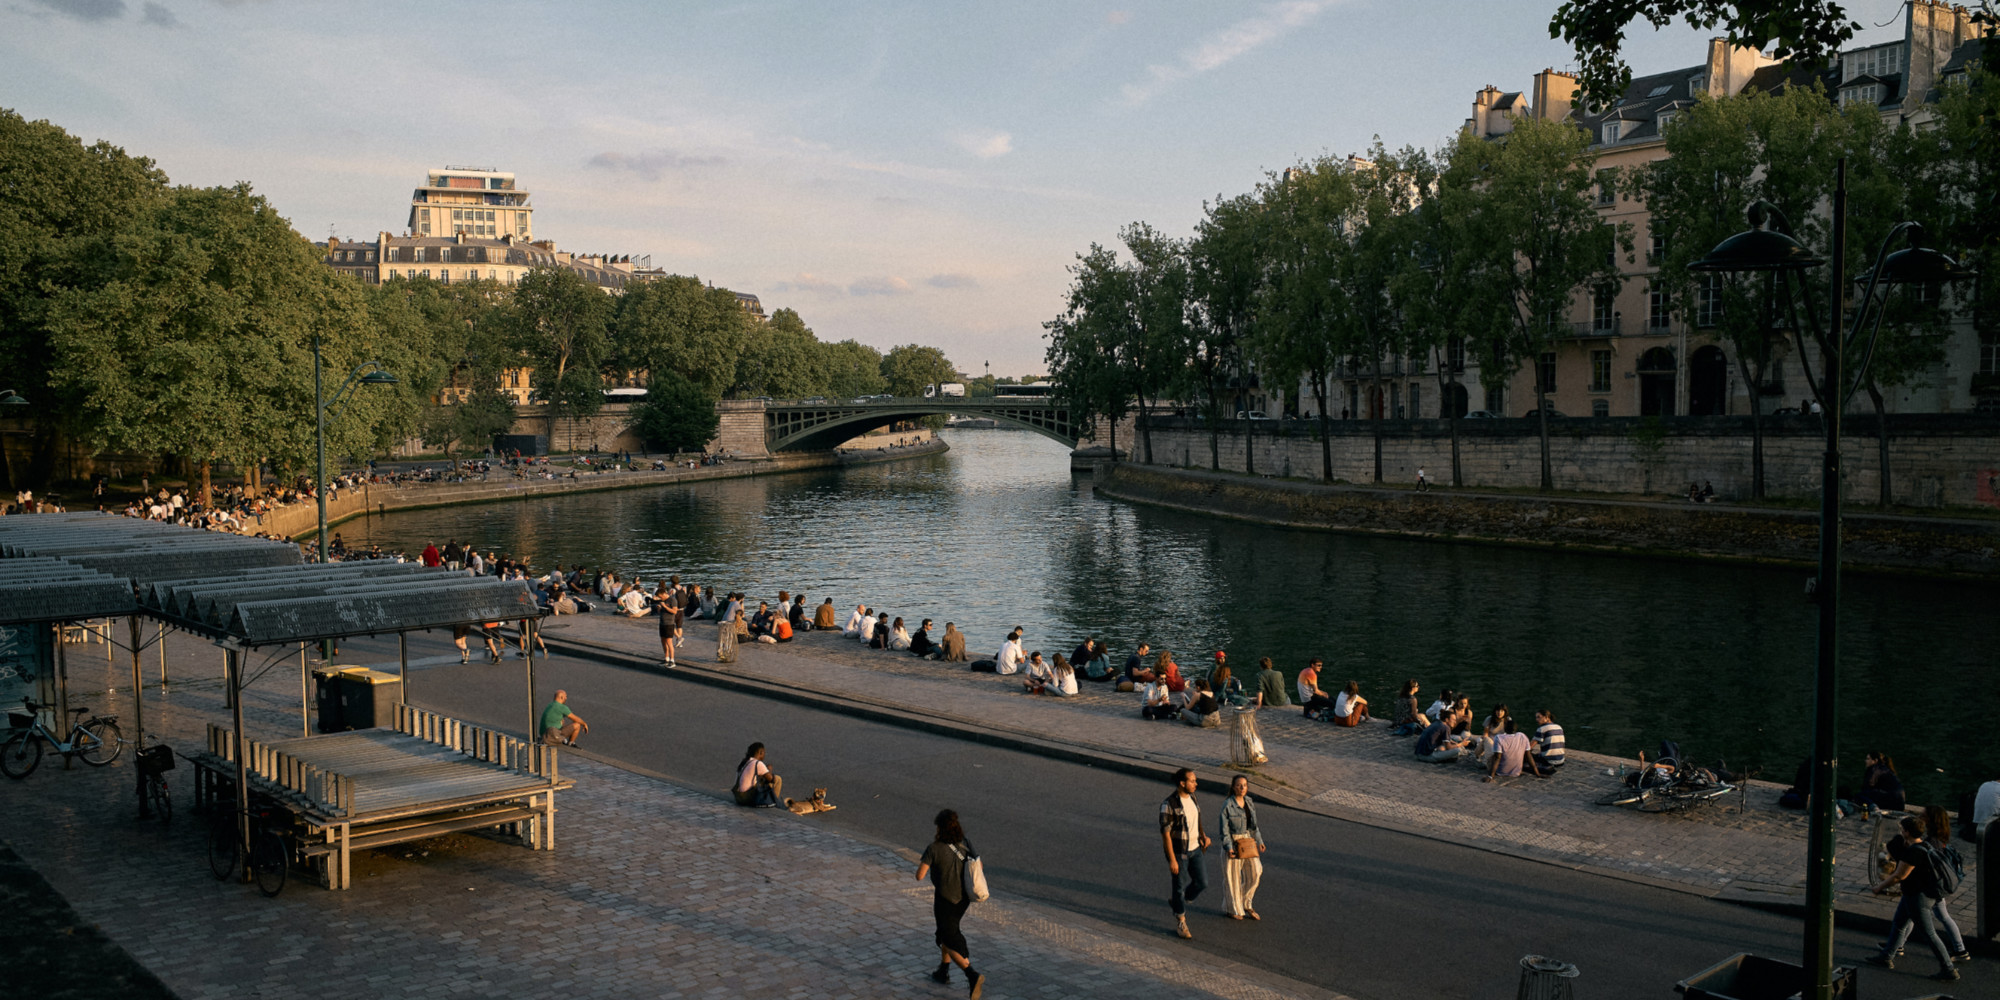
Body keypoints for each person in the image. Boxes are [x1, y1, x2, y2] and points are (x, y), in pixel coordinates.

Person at [1867, 816, 1961, 981]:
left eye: (1902, 829)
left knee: (1930, 934)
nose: (1900, 831)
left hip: (1918, 897)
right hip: (1916, 894)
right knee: (1899, 925)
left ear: (1907, 832)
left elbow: (1899, 876)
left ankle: (1949, 969)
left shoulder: (1913, 852)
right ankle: (1886, 956)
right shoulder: (1924, 845)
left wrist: (1879, 887)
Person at [914, 809, 986, 998]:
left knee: (947, 937)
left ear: (939, 828)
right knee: (946, 931)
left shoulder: (934, 848)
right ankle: (943, 970)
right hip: (963, 900)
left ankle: (972, 975)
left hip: (945, 900)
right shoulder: (966, 842)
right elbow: (978, 866)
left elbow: (919, 876)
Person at [1160, 767, 1211, 939]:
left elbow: (1197, 820)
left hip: (1195, 849)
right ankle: (1181, 921)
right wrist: (1172, 860)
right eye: (1192, 781)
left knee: (1202, 882)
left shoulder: (1193, 798)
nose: (1196, 784)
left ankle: (1177, 902)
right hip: (1179, 853)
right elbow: (1166, 835)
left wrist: (1203, 835)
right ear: (1182, 783)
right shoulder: (1169, 805)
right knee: (1179, 888)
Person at [1218, 775, 1265, 921]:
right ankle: (1232, 909)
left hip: (1248, 840)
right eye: (1239, 785)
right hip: (1233, 842)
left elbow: (1254, 826)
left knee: (1256, 872)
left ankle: (1245, 902)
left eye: (1244, 785)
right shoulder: (1227, 805)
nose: (1242, 787)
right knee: (1232, 878)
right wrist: (1228, 847)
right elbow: (1224, 830)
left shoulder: (1249, 802)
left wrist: (1259, 841)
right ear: (1233, 787)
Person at [1485, 717, 1542, 782]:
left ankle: (1481, 760)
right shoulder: (1522, 736)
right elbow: (1528, 756)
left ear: (1505, 728)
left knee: (1486, 742)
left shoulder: (1499, 738)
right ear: (1516, 729)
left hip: (1500, 771)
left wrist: (1490, 776)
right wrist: (1537, 773)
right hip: (1516, 773)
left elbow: (1497, 758)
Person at [732, 743, 782, 807]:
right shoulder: (757, 763)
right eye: (764, 753)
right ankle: (774, 802)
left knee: (762, 778)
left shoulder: (744, 762)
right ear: (760, 752)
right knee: (778, 779)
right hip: (746, 798)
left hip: (738, 796)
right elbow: (772, 779)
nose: (764, 755)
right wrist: (769, 770)